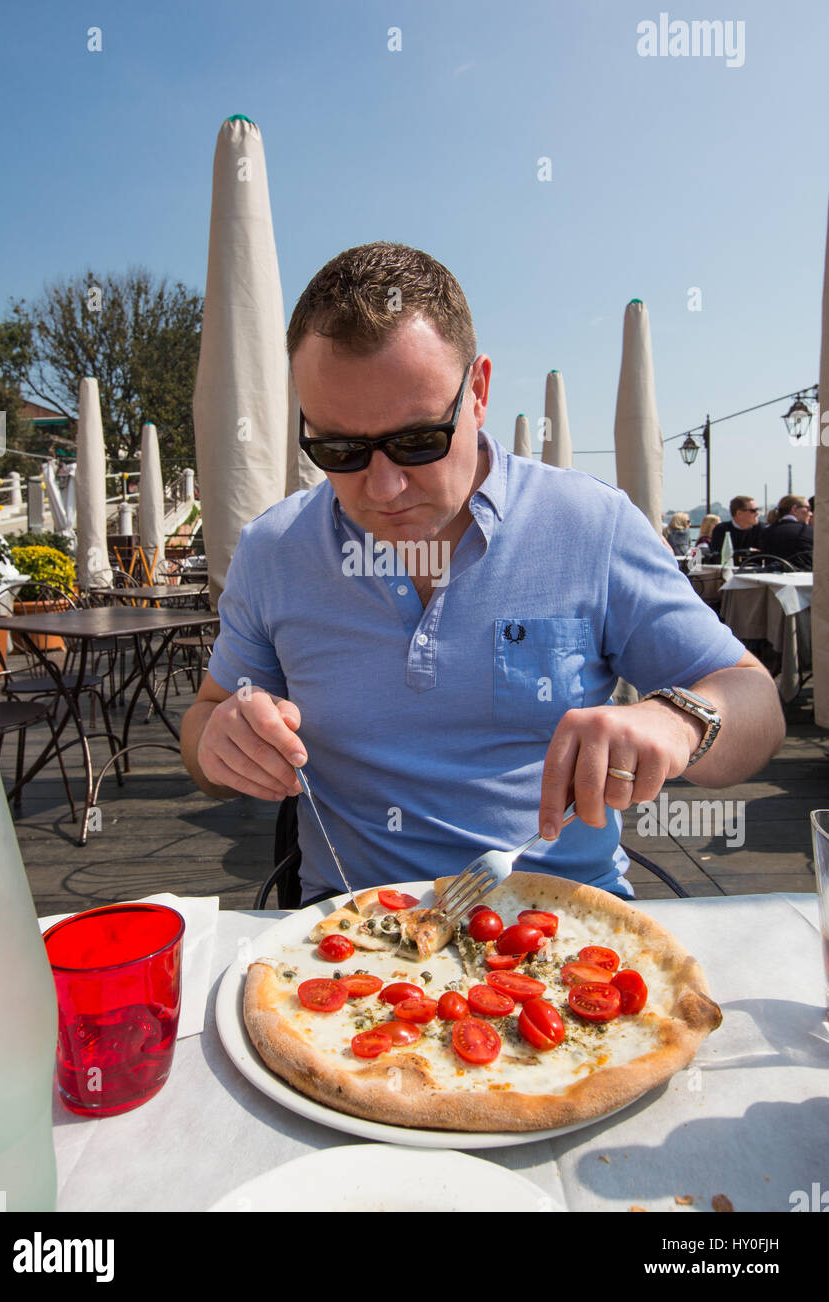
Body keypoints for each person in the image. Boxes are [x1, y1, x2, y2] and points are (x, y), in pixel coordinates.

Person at [180, 242, 785, 902]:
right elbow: (207, 719)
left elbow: (756, 705)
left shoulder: (589, 525)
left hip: (559, 937)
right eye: (338, 449)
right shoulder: (273, 551)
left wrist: (678, 722)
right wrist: (218, 739)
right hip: (348, 947)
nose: (382, 487)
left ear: (479, 392)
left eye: (416, 441)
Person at [759, 494, 813, 568]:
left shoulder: (766, 532)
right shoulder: (809, 531)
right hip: (805, 577)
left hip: (772, 577)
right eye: (808, 508)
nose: (810, 513)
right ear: (794, 509)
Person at [709, 496, 763, 565]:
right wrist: (749, 551)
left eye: (757, 509)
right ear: (739, 513)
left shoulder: (761, 529)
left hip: (756, 573)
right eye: (753, 511)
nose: (757, 513)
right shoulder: (721, 530)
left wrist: (737, 553)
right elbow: (719, 555)